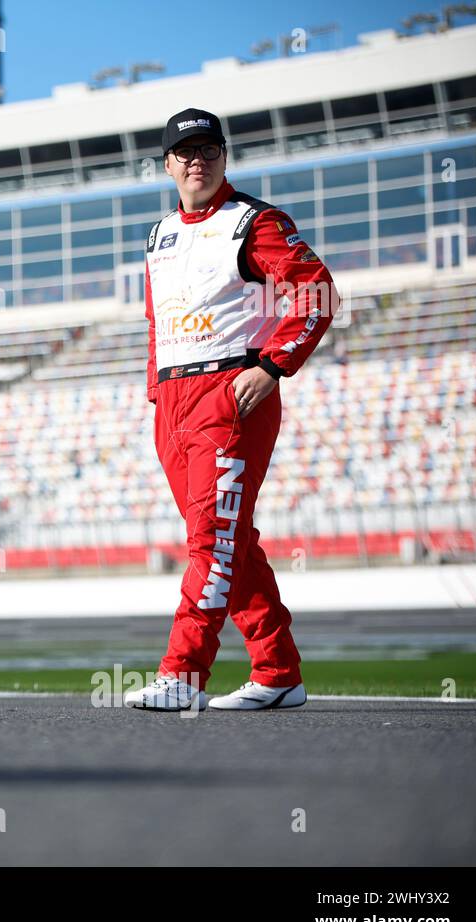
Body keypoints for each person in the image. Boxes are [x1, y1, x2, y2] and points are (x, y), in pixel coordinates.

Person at [124, 108, 340, 712]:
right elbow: (155, 322)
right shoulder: (160, 233)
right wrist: (155, 395)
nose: (198, 161)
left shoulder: (255, 221)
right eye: (185, 152)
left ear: (225, 157)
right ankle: (278, 674)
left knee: (211, 542)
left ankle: (182, 674)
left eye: (209, 150)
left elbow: (317, 292)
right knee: (230, 541)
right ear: (167, 164)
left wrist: (272, 367)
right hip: (172, 401)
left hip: (230, 390)